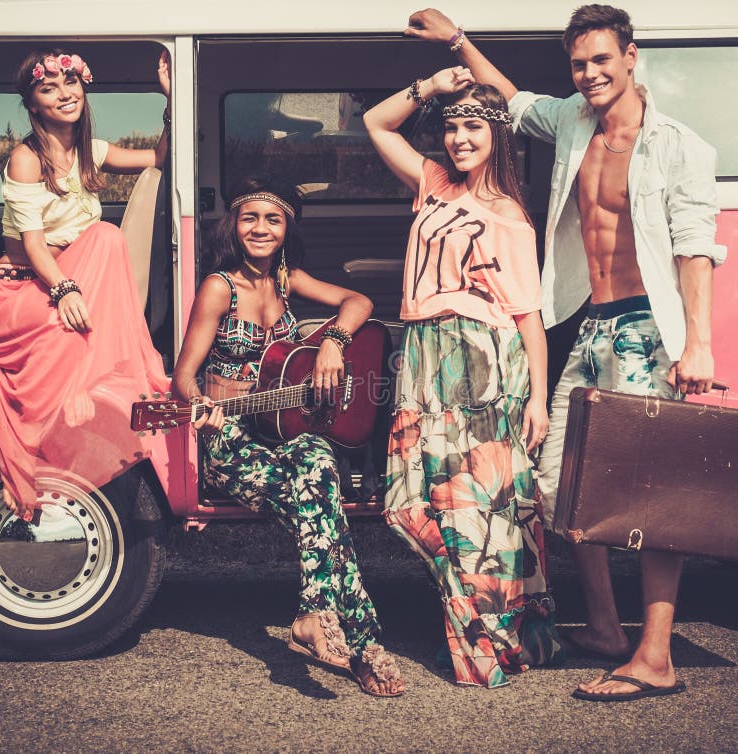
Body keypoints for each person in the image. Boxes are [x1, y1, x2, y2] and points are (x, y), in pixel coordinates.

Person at [406, 5, 725, 700]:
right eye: (580, 64)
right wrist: (458, 41)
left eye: (602, 61)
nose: (590, 75)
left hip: (650, 329)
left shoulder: (679, 145)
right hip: (590, 323)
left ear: (631, 57)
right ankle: (607, 629)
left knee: (652, 499)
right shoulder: (573, 122)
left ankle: (656, 655)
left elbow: (695, 247)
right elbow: (513, 104)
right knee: (561, 486)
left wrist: (698, 342)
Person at [364, 67, 564, 687]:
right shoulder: (432, 184)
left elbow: (528, 315)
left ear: (497, 136)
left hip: (483, 358)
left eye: (473, 126)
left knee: (480, 507)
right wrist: (433, 85)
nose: (458, 139)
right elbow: (376, 121)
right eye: (452, 129)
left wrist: (536, 396)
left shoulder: (509, 214)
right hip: (426, 355)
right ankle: (492, 622)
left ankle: (486, 640)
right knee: (407, 503)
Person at [171, 175, 406, 698]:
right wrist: (202, 407)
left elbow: (359, 301)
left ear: (286, 228)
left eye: (272, 219)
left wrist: (331, 345)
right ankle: (365, 645)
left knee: (319, 458)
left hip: (280, 435)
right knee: (321, 509)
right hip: (231, 438)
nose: (260, 228)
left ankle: (315, 614)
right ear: (234, 224)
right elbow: (183, 376)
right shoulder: (219, 287)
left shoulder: (285, 279)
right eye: (250, 217)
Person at [0, 49, 173, 521]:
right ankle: (66, 409)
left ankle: (88, 392)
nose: (65, 95)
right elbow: (35, 246)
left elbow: (159, 156)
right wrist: (66, 290)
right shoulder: (25, 159)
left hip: (62, 281)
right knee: (103, 236)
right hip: (20, 291)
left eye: (71, 84)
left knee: (103, 238)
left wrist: (170, 99)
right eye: (49, 89)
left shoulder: (89, 150)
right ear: (33, 104)